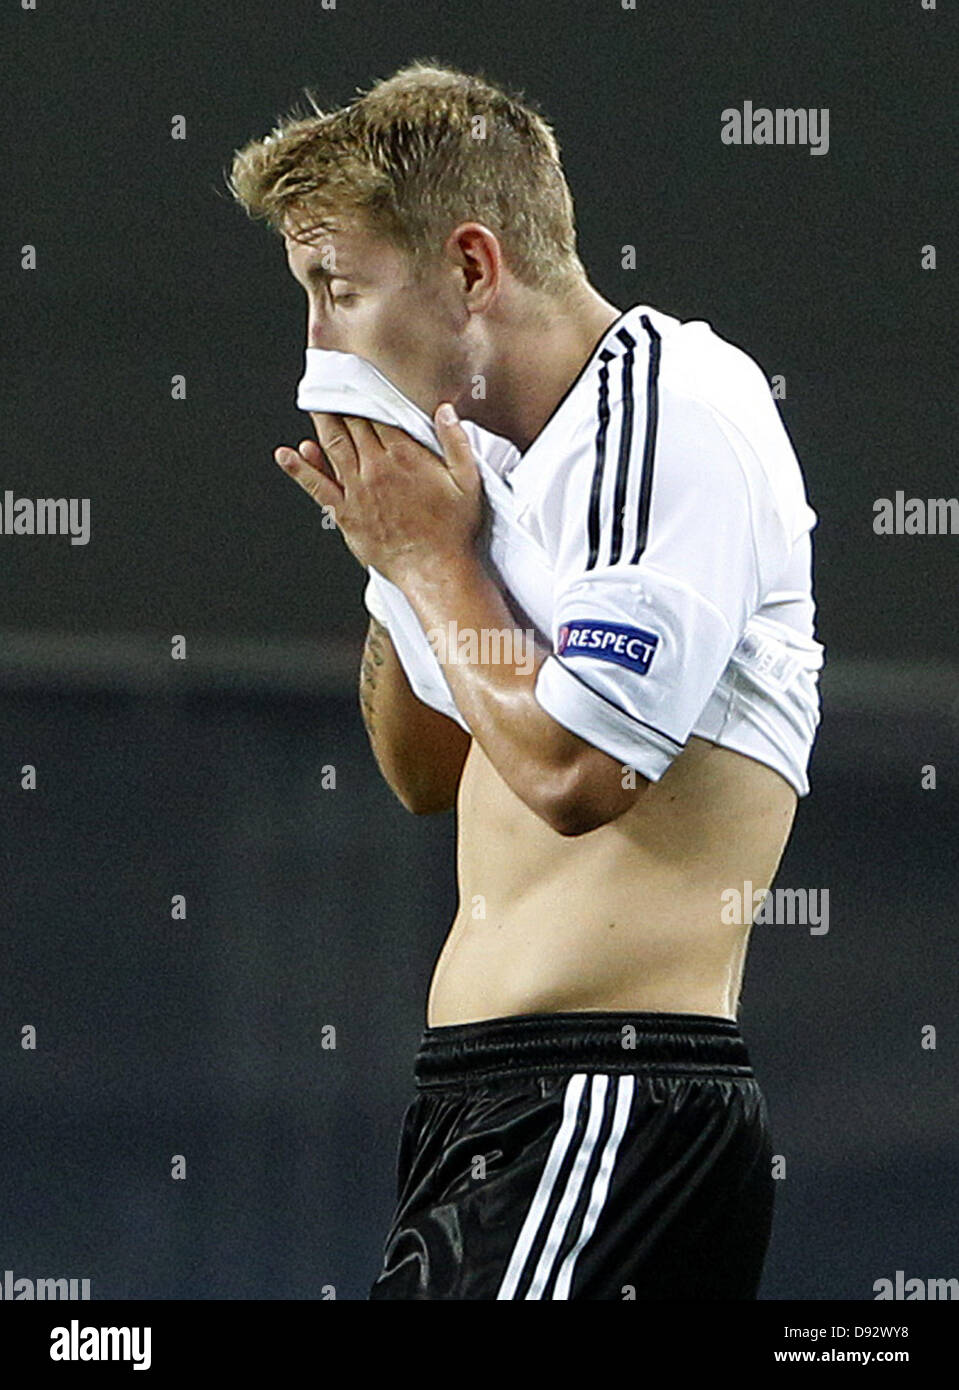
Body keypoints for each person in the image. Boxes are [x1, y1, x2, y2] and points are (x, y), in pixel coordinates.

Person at [228, 60, 824, 1300]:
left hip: (607, 1100)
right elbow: (425, 773)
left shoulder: (669, 407)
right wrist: (396, 566)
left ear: (471, 266)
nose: (318, 338)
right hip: (488, 1105)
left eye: (336, 289)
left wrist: (434, 562)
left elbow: (574, 772)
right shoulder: (492, 463)